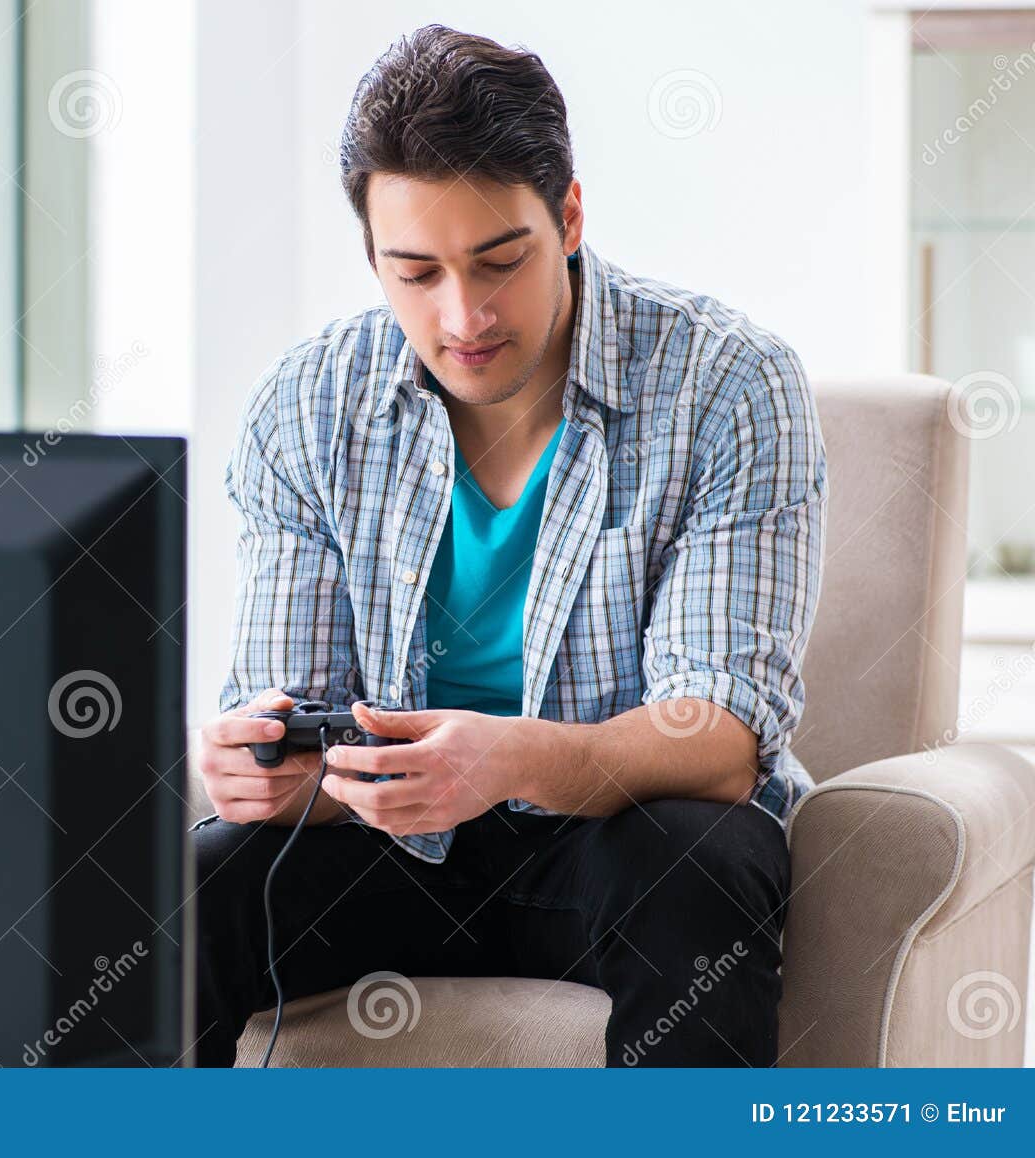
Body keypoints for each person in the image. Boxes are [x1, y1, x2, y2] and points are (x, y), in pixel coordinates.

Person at [192, 24, 827, 1068]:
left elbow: (717, 735)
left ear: (567, 214)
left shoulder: (729, 385)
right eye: (415, 273)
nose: (463, 316)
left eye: (500, 261)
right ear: (372, 258)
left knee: (696, 865)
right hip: (388, 851)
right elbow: (290, 720)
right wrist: (256, 767)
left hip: (619, 847)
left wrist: (508, 760)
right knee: (176, 891)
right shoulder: (307, 405)